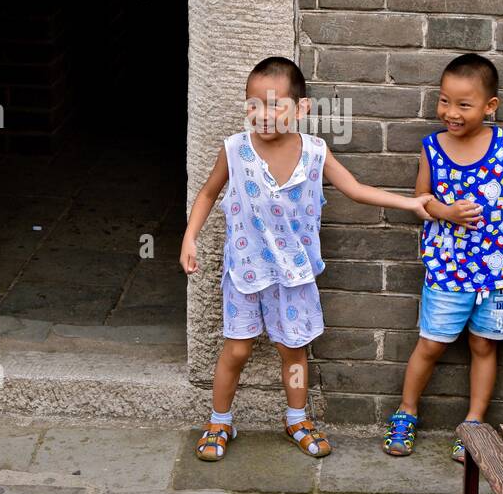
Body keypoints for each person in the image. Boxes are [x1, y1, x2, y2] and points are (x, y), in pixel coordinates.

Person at [181, 56, 433, 461]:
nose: (262, 115)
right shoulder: (235, 149)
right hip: (246, 271)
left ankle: (297, 417)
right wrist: (189, 237)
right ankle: (218, 421)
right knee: (237, 350)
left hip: (294, 275)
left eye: (274, 104)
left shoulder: (315, 152)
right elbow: (209, 193)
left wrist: (411, 204)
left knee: (293, 350)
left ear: (301, 109)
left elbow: (355, 189)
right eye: (253, 104)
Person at [383, 53, 503, 463]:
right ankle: (407, 411)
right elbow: (421, 201)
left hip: (498, 270)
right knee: (431, 344)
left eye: (463, 105)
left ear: (490, 106)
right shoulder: (432, 147)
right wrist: (446, 212)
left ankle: (472, 424)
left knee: (484, 346)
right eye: (444, 101)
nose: (451, 112)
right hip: (448, 271)